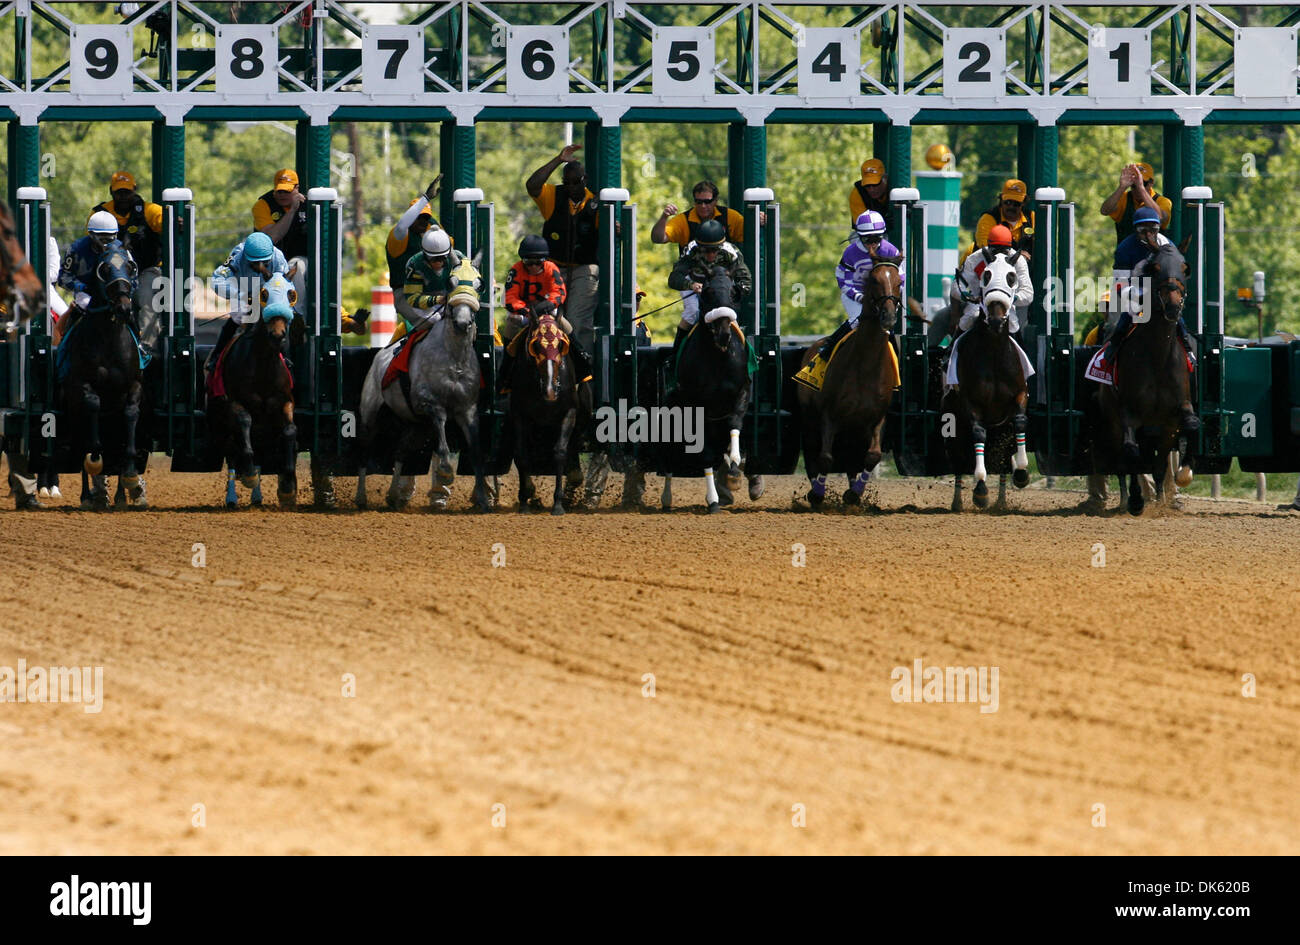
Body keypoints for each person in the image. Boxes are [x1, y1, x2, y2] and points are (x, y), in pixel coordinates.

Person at [792, 210, 900, 391]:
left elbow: (900, 278)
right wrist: (860, 297)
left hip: (883, 297)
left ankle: (897, 372)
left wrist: (890, 298)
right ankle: (825, 352)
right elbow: (844, 281)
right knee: (857, 322)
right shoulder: (851, 252)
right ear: (860, 237)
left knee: (888, 330)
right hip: (855, 295)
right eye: (867, 240)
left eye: (876, 239)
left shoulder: (891, 250)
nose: (872, 244)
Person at [525, 145, 601, 360]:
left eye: (575, 182)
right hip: (554, 266)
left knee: (577, 320)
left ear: (584, 180)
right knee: (548, 317)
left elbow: (608, 230)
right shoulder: (553, 196)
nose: (570, 187)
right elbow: (532, 185)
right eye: (566, 182)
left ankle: (583, 367)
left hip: (583, 268)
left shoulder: (595, 201)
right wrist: (558, 160)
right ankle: (549, 362)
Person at [1104, 206, 1193, 363]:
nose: (1149, 234)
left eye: (1153, 229)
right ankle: (1109, 356)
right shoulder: (1125, 249)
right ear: (1135, 230)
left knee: (1175, 313)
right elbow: (1120, 285)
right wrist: (1141, 297)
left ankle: (1188, 350)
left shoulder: (1168, 246)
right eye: (1143, 230)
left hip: (1158, 291)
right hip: (1130, 290)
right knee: (1115, 323)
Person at [89, 171, 164, 353]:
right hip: (110, 273)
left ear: (135, 191)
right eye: (118, 192)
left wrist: (178, 221)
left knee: (147, 300)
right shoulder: (100, 213)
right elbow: (90, 246)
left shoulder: (150, 211)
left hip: (146, 270)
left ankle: (147, 350)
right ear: (111, 192)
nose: (123, 197)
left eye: (127, 192)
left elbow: (169, 221)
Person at [56, 211, 145, 360]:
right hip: (87, 292)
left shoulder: (119, 252)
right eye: (101, 238)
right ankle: (65, 345)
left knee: (126, 308)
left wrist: (124, 291)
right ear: (91, 234)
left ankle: (139, 346)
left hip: (112, 293)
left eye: (109, 238)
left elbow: (132, 278)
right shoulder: (77, 249)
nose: (105, 243)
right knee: (83, 304)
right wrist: (81, 287)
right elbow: (63, 277)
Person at [206, 231, 293, 379]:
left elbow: (286, 285)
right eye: (254, 263)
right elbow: (216, 280)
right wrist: (240, 295)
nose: (260, 266)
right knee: (237, 319)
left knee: (283, 320)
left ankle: (287, 358)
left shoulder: (278, 257)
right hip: (244, 293)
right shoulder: (237, 255)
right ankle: (216, 357)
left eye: (264, 263)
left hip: (270, 297)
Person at [666, 218, 753, 362]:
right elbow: (674, 278)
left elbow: (746, 282)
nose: (710, 255)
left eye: (714, 250)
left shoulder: (731, 253)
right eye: (706, 250)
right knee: (692, 312)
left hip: (721, 289)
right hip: (696, 286)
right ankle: (675, 357)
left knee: (731, 318)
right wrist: (691, 285)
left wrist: (732, 292)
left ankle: (748, 360)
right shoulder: (691, 251)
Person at [953, 225, 1033, 339]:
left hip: (1006, 305)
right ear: (989, 246)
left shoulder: (1018, 260)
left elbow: (1028, 294)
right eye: (995, 249)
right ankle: (951, 351)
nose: (999, 254)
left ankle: (1022, 353)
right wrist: (965, 295)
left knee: (1013, 324)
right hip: (979, 302)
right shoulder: (974, 258)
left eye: (1004, 250)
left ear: (1010, 247)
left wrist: (1013, 298)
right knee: (969, 318)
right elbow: (957, 286)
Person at [388, 177, 443, 328]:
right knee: (435, 324)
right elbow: (402, 226)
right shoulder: (399, 237)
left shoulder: (428, 235)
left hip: (432, 293)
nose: (423, 221)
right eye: (419, 217)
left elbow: (449, 244)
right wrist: (425, 199)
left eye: (426, 218)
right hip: (406, 295)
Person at [253, 168, 309, 315]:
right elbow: (273, 237)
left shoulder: (309, 204)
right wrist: (291, 211)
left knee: (295, 267)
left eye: (287, 191)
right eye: (279, 191)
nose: (282, 195)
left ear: (297, 189)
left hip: (299, 258)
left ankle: (297, 314)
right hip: (270, 261)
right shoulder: (262, 205)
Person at [1100, 162, 1172, 244]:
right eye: (1134, 184)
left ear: (1151, 183)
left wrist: (1141, 188)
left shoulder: (1163, 201)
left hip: (1155, 255)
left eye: (1143, 183)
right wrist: (1122, 187)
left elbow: (1160, 217)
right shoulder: (1124, 198)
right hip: (1128, 254)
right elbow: (1104, 211)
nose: (1137, 187)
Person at [969, 178, 1035, 258]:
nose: (1011, 207)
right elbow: (986, 250)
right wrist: (1017, 256)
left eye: (1016, 204)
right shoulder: (988, 218)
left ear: (1024, 203)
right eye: (1007, 202)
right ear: (1001, 200)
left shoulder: (1031, 217)